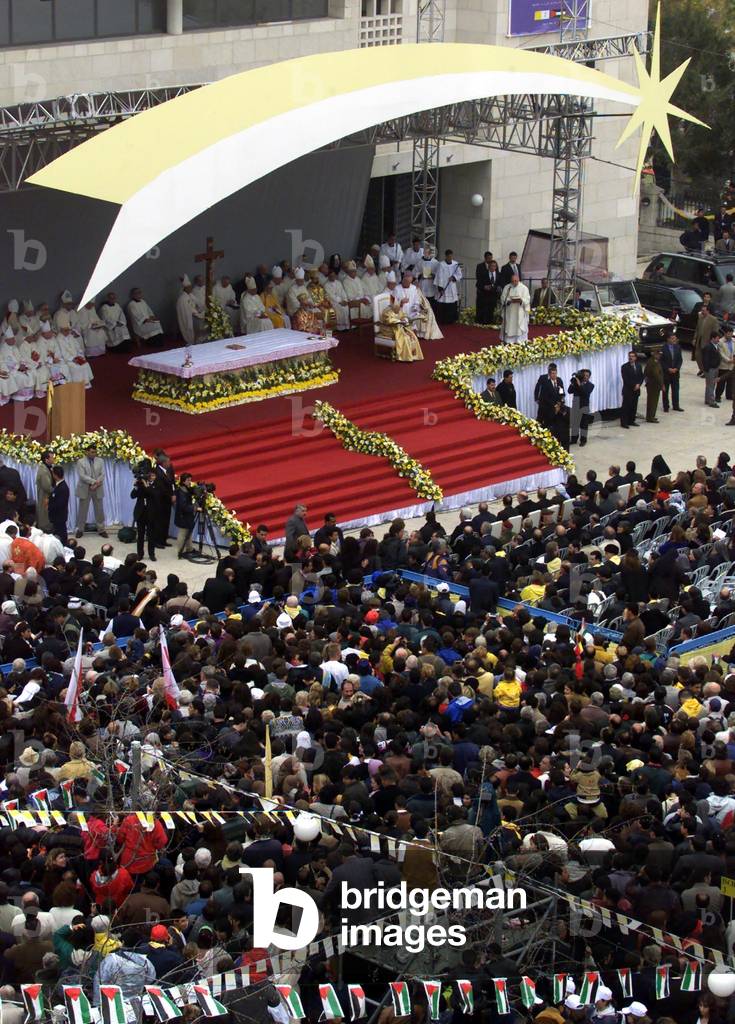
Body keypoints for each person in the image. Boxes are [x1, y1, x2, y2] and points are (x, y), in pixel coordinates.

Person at [376, 296, 424, 362]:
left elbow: (403, 315)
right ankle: (404, 356)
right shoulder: (386, 311)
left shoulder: (398, 309)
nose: (398, 309)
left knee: (412, 335)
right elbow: (389, 320)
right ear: (392, 306)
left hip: (398, 327)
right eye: (397, 307)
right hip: (388, 329)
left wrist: (404, 319)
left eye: (398, 307)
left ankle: (413, 355)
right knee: (405, 337)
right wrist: (399, 321)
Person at [75, 443, 107, 539]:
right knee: (82, 511)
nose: (94, 454)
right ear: (87, 452)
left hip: (97, 488)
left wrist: (97, 484)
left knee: (99, 510)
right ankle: (80, 529)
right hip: (85, 488)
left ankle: (101, 529)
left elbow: (103, 474)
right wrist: (94, 482)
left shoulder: (100, 461)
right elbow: (82, 476)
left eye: (95, 452)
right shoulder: (80, 462)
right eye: (92, 452)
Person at [535, 364, 568, 448]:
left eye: (555, 373)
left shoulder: (559, 380)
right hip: (549, 407)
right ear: (549, 374)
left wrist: (560, 402)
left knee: (559, 425)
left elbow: (562, 392)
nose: (554, 375)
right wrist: (554, 405)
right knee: (548, 424)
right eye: (552, 373)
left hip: (558, 406)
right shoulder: (546, 383)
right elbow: (545, 397)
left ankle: (558, 440)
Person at [131, 469, 157, 562]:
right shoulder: (140, 485)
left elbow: (154, 495)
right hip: (140, 513)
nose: (151, 477)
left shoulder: (155, 485)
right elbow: (132, 495)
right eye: (151, 475)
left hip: (151, 513)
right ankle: (140, 554)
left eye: (153, 476)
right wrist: (136, 487)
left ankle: (152, 554)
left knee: (151, 535)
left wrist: (147, 486)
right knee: (140, 535)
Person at [499, 271, 531, 342]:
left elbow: (527, 299)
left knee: (519, 326)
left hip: (519, 310)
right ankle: (508, 340)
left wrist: (521, 300)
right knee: (509, 325)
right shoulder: (507, 287)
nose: (514, 283)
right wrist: (508, 301)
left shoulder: (524, 288)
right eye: (513, 281)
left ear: (519, 280)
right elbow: (503, 297)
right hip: (509, 311)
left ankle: (519, 340)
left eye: (516, 281)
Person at [434, 250, 463, 324]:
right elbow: (439, 276)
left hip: (452, 286)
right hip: (444, 286)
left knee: (452, 302)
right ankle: (443, 320)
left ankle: (451, 319)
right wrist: (440, 288)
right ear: (446, 256)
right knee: (443, 302)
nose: (450, 258)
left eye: (451, 256)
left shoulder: (455, 264)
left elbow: (459, 274)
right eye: (448, 256)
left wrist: (453, 277)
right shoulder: (441, 265)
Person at [568, 368, 594, 446]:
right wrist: (573, 383)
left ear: (589, 377)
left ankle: (583, 440)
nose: (585, 377)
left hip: (584, 407)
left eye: (587, 376)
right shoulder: (576, 383)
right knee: (575, 424)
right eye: (584, 375)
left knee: (584, 424)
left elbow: (585, 393)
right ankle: (573, 439)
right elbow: (569, 391)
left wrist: (579, 384)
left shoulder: (591, 385)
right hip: (575, 406)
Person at [176, 274, 205, 344]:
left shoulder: (190, 295)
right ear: (185, 289)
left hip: (194, 314)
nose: (191, 289)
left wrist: (203, 308)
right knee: (191, 329)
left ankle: (199, 339)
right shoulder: (183, 299)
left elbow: (198, 302)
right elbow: (187, 310)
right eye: (189, 288)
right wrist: (196, 313)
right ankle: (192, 341)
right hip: (189, 317)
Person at [693, 295, 718, 375]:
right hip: (699, 340)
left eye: (703, 311)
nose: (702, 312)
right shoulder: (700, 318)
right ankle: (701, 369)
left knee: (705, 357)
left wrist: (712, 341)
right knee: (697, 356)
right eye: (702, 310)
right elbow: (697, 329)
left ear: (708, 311)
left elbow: (715, 331)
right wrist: (694, 338)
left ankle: (705, 371)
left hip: (707, 341)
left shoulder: (713, 319)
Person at [661, 330, 684, 412]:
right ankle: (666, 406)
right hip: (667, 373)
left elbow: (680, 360)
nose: (674, 340)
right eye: (672, 338)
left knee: (675, 390)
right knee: (665, 390)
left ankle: (676, 405)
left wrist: (676, 368)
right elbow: (662, 361)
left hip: (675, 373)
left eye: (675, 338)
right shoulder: (663, 348)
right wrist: (668, 369)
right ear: (668, 339)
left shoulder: (678, 347)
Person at [174, 472, 195, 559]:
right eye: (188, 480)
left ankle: (189, 548)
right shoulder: (182, 491)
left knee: (188, 532)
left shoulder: (186, 489)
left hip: (186, 516)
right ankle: (180, 551)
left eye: (190, 480)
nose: (190, 482)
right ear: (183, 481)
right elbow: (184, 506)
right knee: (183, 533)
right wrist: (194, 508)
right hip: (183, 516)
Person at [620, 350, 643, 429]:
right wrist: (634, 385)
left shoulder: (639, 366)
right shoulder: (624, 367)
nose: (631, 358)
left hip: (636, 390)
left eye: (632, 356)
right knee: (626, 407)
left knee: (634, 406)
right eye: (630, 356)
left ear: (636, 358)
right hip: (628, 390)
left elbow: (641, 377)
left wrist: (639, 384)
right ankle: (624, 422)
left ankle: (631, 420)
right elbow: (625, 379)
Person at [475, 252, 500, 324]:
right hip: (484, 295)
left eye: (494, 266)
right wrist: (484, 287)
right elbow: (478, 283)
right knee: (484, 309)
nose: (493, 267)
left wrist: (498, 287)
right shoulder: (484, 273)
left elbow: (499, 282)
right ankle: (483, 322)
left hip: (493, 295)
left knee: (491, 309)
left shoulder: (498, 274)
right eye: (491, 266)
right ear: (489, 267)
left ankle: (491, 321)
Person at [47, 466, 69, 546]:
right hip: (56, 516)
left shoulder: (63, 487)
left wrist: (50, 506)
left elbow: (59, 504)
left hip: (59, 515)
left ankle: (63, 545)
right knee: (58, 531)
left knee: (61, 533)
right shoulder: (58, 485)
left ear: (55, 475)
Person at [35, 450, 54, 533]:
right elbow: (47, 486)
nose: (53, 459)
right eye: (52, 457)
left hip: (47, 496)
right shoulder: (43, 470)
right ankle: (44, 528)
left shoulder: (48, 467)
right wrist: (56, 491)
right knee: (44, 512)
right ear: (46, 459)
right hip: (44, 496)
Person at [703, 329, 722, 408]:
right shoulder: (708, 347)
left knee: (711, 385)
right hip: (710, 369)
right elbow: (705, 359)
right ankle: (711, 401)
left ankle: (707, 399)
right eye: (717, 338)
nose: (718, 340)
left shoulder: (716, 346)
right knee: (711, 385)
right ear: (713, 338)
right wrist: (707, 369)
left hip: (715, 368)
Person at [644, 347, 663, 423]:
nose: (659, 355)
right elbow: (656, 375)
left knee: (654, 401)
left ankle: (652, 416)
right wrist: (662, 384)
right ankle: (650, 417)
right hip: (653, 385)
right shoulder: (652, 362)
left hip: (655, 385)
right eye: (657, 354)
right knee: (652, 402)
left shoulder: (656, 361)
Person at [717, 324, 735, 402]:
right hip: (723, 365)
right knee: (721, 383)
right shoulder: (720, 342)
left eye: (731, 333)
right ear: (725, 333)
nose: (730, 335)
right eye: (729, 333)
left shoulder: (734, 341)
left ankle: (729, 395)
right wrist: (729, 360)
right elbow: (721, 354)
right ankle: (718, 396)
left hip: (732, 365)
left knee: (730, 382)